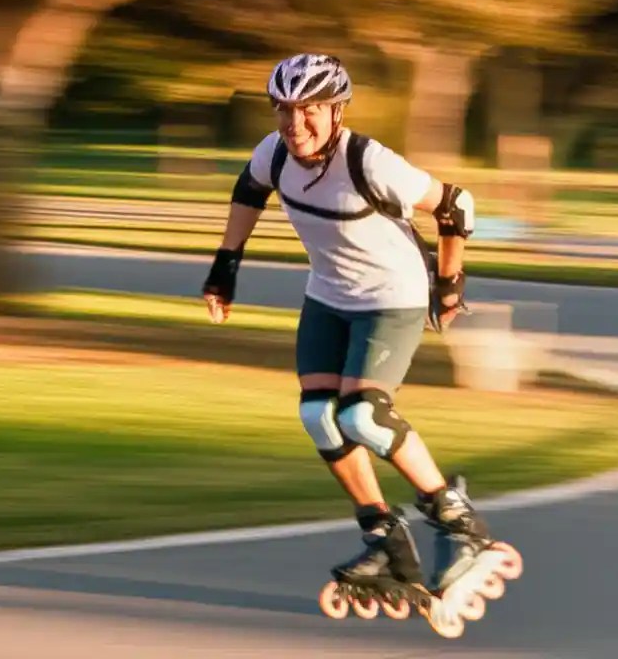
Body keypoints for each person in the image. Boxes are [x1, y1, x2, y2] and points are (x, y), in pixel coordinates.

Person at [201, 53, 513, 608]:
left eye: (310, 110)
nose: (295, 125)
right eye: (284, 111)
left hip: (393, 295)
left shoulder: (369, 162)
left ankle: (458, 523)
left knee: (363, 415)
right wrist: (226, 266)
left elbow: (456, 206)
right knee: (318, 415)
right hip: (329, 294)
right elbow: (248, 191)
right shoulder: (274, 153)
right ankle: (385, 538)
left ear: (337, 111)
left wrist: (449, 283)